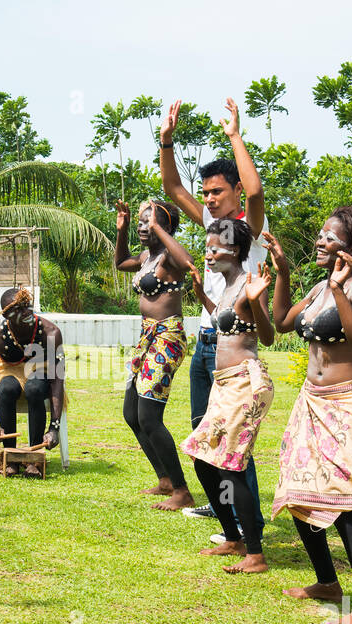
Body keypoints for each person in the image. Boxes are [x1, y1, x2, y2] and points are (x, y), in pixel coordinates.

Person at [269, 210, 352, 624]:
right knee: (300, 493)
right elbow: (281, 323)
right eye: (320, 234)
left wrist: (340, 289)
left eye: (330, 237)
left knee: (343, 503)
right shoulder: (320, 286)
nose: (320, 241)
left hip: (349, 402)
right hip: (312, 401)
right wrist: (282, 272)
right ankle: (326, 582)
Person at [160, 97, 268, 540]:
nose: (208, 199)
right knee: (204, 431)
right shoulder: (210, 222)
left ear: (235, 191)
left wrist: (235, 136)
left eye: (217, 191)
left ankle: (247, 522)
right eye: (206, 193)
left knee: (236, 440)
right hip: (207, 341)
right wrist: (167, 143)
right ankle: (225, 507)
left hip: (238, 347)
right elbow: (173, 190)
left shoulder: (251, 228)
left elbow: (257, 191)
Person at [181, 218, 275, 573]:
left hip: (244, 384)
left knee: (231, 466)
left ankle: (255, 553)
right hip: (224, 383)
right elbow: (228, 322)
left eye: (215, 248)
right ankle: (233, 537)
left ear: (235, 250)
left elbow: (265, 336)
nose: (208, 254)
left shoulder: (251, 283)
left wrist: (256, 301)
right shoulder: (228, 284)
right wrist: (201, 297)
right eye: (207, 248)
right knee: (203, 457)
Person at [114, 198, 196, 510]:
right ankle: (164, 479)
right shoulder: (149, 256)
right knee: (131, 414)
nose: (141, 225)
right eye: (139, 221)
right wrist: (121, 231)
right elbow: (122, 263)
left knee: (149, 417)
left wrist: (161, 230)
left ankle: (181, 490)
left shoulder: (170, 259)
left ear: (164, 225)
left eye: (147, 220)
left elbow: (188, 260)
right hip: (147, 337)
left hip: (167, 337)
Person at [0, 288, 64, 477]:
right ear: (7, 315)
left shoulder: (50, 332)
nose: (27, 312)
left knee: (35, 387)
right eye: (20, 309)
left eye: (28, 306)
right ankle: (11, 457)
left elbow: (57, 380)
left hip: (40, 369)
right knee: (6, 388)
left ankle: (34, 459)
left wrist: (54, 428)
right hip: (7, 370)